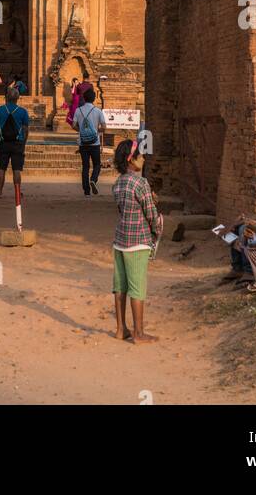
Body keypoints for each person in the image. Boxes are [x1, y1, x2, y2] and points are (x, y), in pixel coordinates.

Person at [111, 139, 162, 343]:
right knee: (137, 287)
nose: (143, 158)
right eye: (140, 155)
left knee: (120, 286)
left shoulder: (118, 184)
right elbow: (150, 213)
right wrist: (157, 230)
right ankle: (139, 333)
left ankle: (120, 328)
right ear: (131, 160)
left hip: (120, 239)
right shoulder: (141, 183)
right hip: (138, 240)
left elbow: (124, 209)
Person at [0, 85, 30, 200]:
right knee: (17, 169)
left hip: (4, 142)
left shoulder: (0, 110)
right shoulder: (23, 112)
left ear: (7, 97)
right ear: (18, 98)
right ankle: (17, 192)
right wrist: (24, 142)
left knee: (1, 169)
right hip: (17, 143)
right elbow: (25, 129)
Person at [73, 86, 106, 196]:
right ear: (94, 99)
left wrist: (81, 131)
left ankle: (86, 191)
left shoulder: (78, 110)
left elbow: (73, 125)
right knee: (97, 164)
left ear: (84, 98)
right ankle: (93, 179)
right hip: (94, 142)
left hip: (83, 143)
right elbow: (104, 127)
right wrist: (97, 131)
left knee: (85, 166)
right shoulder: (98, 111)